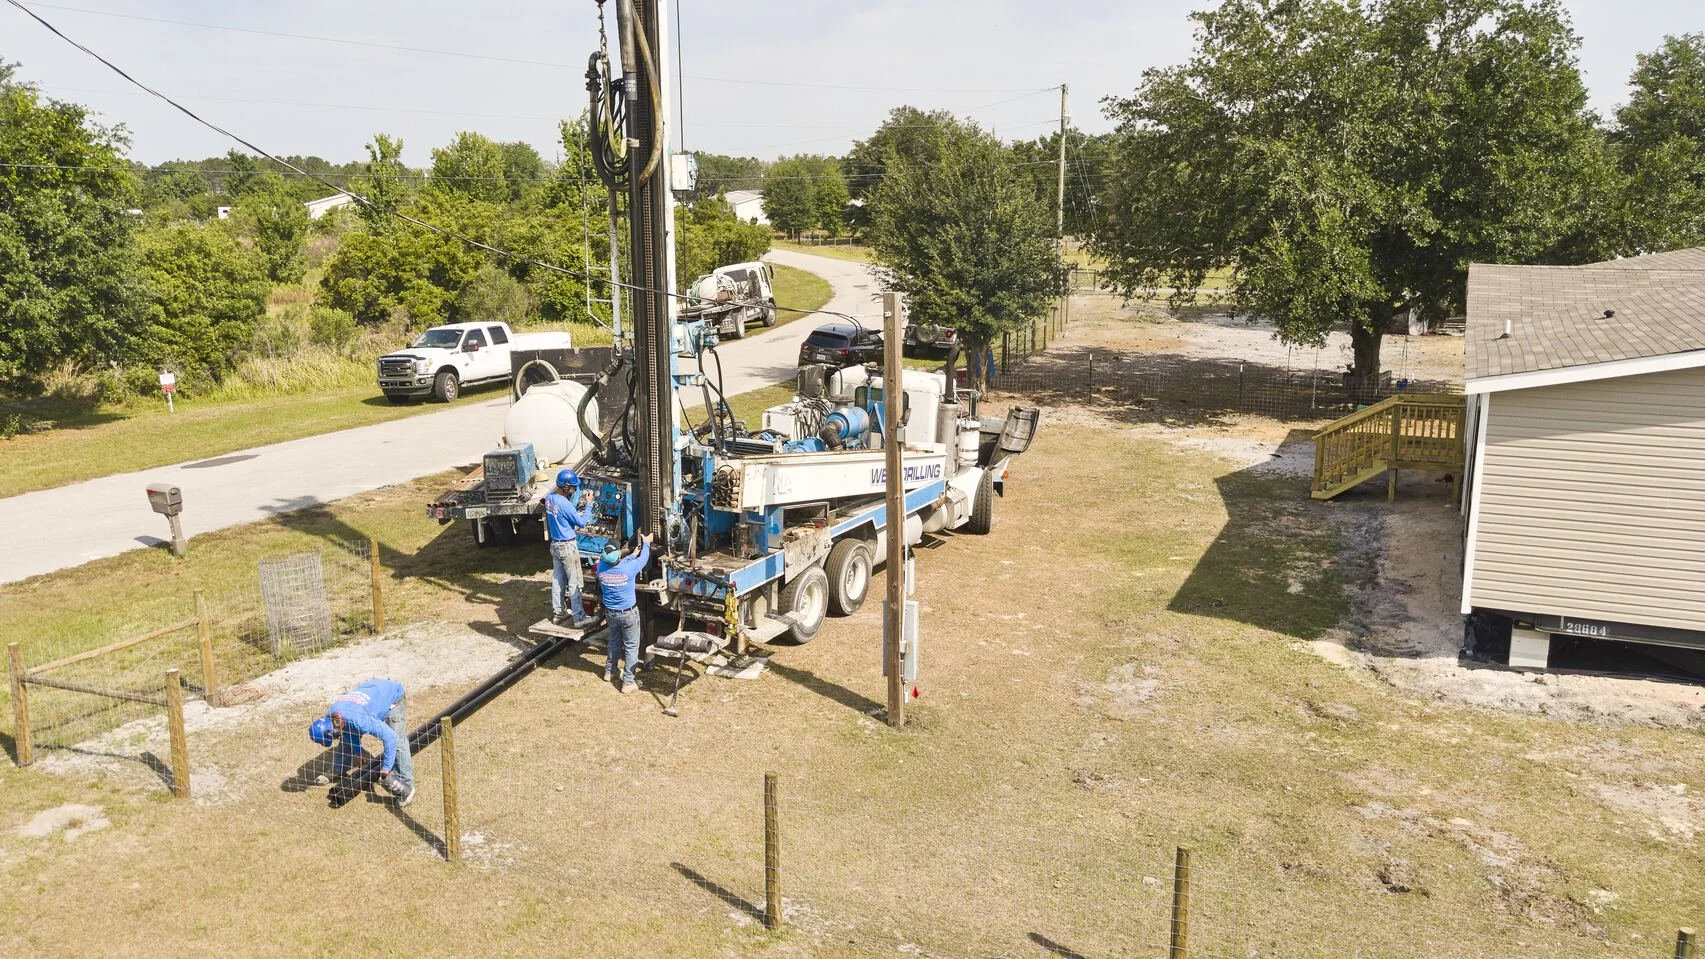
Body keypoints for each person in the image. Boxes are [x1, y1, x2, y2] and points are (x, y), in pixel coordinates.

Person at [307, 677, 413, 806]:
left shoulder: (360, 721)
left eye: (334, 736)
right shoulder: (332, 714)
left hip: (392, 696)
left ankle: (407, 786)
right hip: (373, 691)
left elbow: (391, 737)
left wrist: (386, 768)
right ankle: (337, 769)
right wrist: (358, 752)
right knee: (345, 739)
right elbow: (348, 734)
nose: (335, 738)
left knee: (398, 743)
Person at [597, 533, 652, 693]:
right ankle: (628, 682)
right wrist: (646, 543)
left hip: (611, 613)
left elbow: (617, 563)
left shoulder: (601, 568)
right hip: (628, 614)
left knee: (614, 641)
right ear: (619, 554)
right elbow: (644, 559)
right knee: (631, 646)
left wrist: (632, 555)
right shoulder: (629, 569)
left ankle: (610, 671)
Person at [544, 468, 597, 628]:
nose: (574, 490)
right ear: (566, 488)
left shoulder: (549, 499)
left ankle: (558, 613)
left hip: (555, 545)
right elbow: (581, 523)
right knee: (575, 583)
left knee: (558, 581)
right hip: (567, 546)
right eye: (573, 487)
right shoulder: (565, 503)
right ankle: (579, 618)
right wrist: (589, 505)